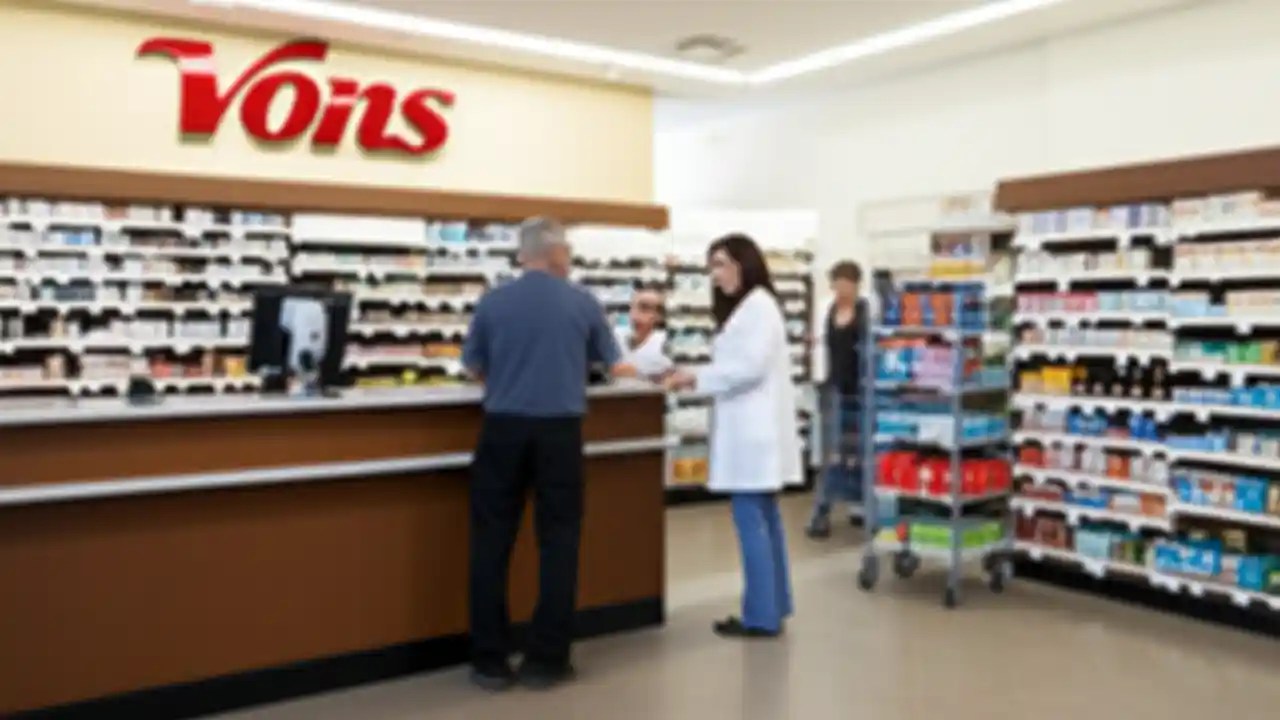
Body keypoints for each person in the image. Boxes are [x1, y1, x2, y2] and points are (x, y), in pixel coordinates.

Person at [461, 217, 633, 691]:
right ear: (560, 254)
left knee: (491, 542)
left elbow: (474, 366)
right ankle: (547, 661)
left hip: (502, 430)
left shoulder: (494, 302)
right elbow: (612, 364)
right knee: (558, 543)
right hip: (560, 433)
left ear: (522, 255)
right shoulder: (582, 302)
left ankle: (490, 661)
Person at [664, 233, 800, 638]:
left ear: (744, 263)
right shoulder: (753, 308)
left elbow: (748, 368)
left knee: (750, 521)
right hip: (754, 433)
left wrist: (696, 376)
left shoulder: (758, 307)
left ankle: (761, 615)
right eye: (712, 266)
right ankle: (774, 604)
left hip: (751, 436)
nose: (715, 275)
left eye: (721, 264)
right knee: (765, 519)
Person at [806, 261, 869, 539]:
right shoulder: (826, 310)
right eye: (838, 283)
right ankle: (821, 512)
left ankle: (859, 507)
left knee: (861, 453)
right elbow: (820, 344)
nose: (842, 289)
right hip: (833, 389)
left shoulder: (866, 311)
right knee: (831, 452)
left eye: (848, 283)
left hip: (862, 390)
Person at [614, 283, 672, 378]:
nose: (634, 314)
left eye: (644, 308)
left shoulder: (665, 345)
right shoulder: (616, 336)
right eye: (632, 307)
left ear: (660, 316)